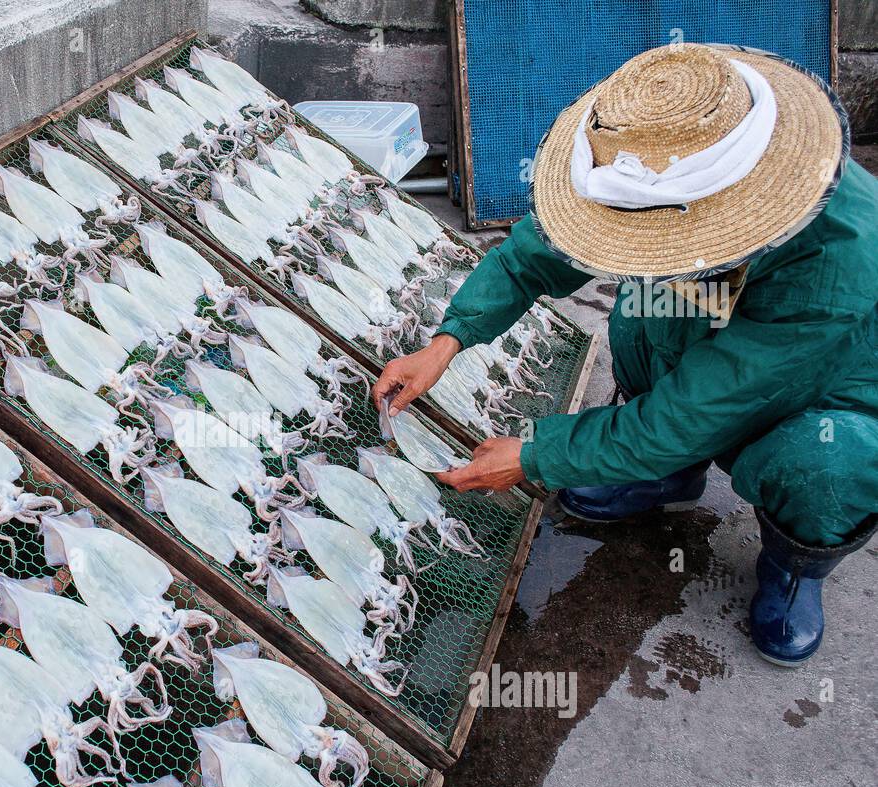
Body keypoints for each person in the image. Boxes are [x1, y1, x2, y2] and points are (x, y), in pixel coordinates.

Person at [372, 42, 877, 666]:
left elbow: (694, 413)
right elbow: (536, 252)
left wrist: (536, 456)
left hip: (830, 389)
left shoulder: (835, 255)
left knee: (826, 463)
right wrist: (448, 340)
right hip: (732, 357)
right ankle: (665, 473)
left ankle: (796, 566)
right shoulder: (659, 152)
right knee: (646, 311)